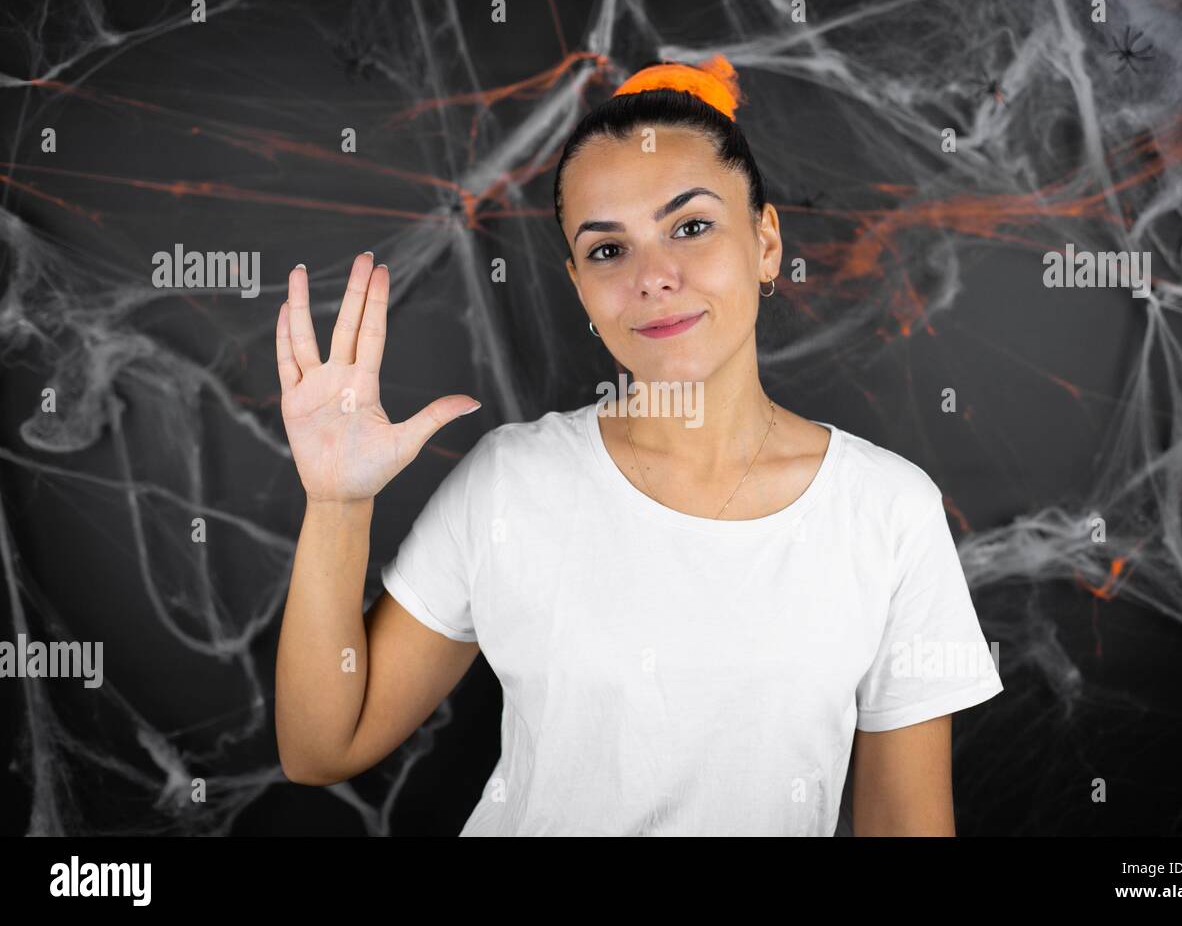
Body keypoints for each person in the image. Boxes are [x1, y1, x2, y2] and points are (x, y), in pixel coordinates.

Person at [274, 56, 1003, 836]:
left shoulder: (889, 513)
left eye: (690, 227)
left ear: (764, 243)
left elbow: (906, 827)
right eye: (608, 250)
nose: (654, 276)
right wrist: (338, 503)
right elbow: (322, 747)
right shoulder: (509, 484)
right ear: (580, 286)